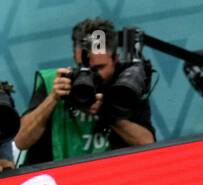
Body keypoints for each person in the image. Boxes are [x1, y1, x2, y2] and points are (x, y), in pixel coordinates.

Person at [15, 18, 156, 166]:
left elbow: (147, 143)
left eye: (99, 68)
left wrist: (107, 114)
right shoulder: (56, 82)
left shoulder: (126, 86)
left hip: (112, 178)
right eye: (83, 67)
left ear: (116, 59)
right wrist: (53, 98)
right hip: (57, 180)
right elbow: (21, 140)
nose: (92, 76)